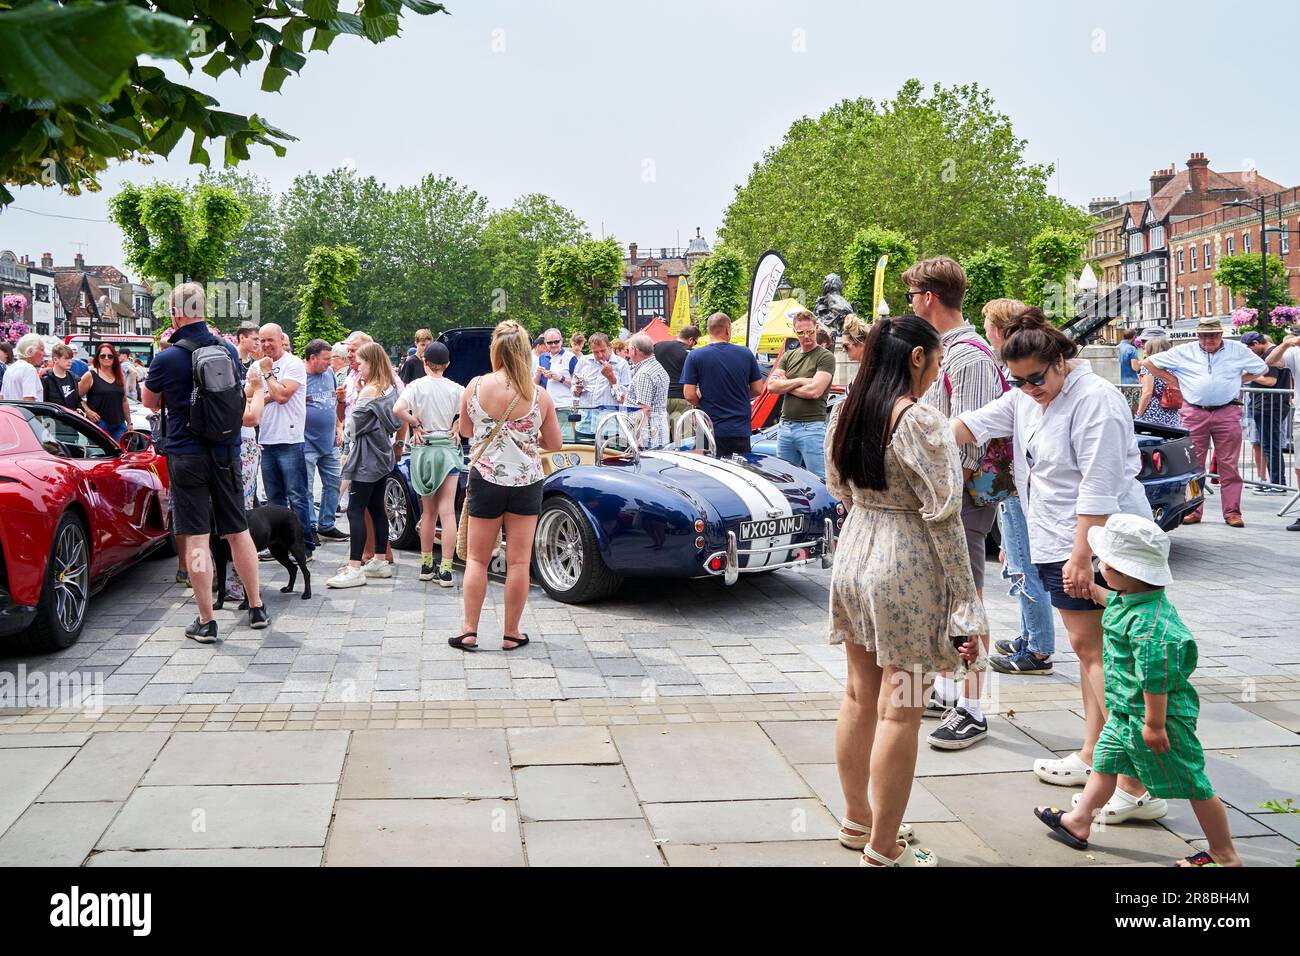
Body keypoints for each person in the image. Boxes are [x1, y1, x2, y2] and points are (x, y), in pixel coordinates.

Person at [955, 307, 1158, 817]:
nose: (1028, 389)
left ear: (1062, 360)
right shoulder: (1028, 398)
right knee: (1088, 651)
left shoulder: (1096, 400)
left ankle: (1132, 784)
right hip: (1060, 539)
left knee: (1106, 660)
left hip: (1099, 544)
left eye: (1036, 378)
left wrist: (1082, 556)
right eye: (1019, 382)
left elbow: (1099, 483)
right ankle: (1095, 755)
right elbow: (972, 424)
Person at [825, 315, 984, 867]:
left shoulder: (848, 407)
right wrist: (967, 605)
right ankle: (883, 847)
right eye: (936, 361)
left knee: (857, 694)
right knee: (902, 708)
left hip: (855, 546)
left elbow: (835, 485)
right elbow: (944, 517)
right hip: (905, 558)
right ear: (917, 358)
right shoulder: (919, 419)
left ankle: (857, 818)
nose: (936, 372)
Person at [1034, 514, 1242, 867]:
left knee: (1194, 784)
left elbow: (1155, 679)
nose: (1100, 566)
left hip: (1156, 720)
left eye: (1106, 564)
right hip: (1126, 714)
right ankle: (1079, 821)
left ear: (1125, 573)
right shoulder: (1136, 600)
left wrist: (1155, 724)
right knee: (1104, 763)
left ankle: (1224, 853)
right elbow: (1114, 603)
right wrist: (1090, 590)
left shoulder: (1151, 626)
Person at [905, 256, 1005, 748]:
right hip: (947, 494)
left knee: (969, 597)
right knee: (952, 596)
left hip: (961, 495)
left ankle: (974, 705)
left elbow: (971, 444)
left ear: (928, 297)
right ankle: (950, 688)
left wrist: (941, 495)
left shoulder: (968, 356)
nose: (909, 306)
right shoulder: (949, 351)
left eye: (911, 297)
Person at [142, 282, 268, 640]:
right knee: (237, 531)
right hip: (226, 452)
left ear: (175, 314)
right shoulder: (226, 349)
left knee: (197, 539)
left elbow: (149, 402)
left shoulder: (167, 357)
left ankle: (207, 620)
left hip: (187, 456)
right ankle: (256, 606)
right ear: (203, 311)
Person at [452, 320, 562, 650]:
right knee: (517, 562)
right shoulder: (538, 395)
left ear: (495, 350)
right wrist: (527, 436)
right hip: (526, 482)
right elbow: (554, 444)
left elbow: (468, 432)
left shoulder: (475, 386)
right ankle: (512, 633)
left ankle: (470, 630)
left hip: (485, 479)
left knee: (476, 560)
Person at [980, 299, 1056, 677]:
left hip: (1012, 478)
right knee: (1016, 560)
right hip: (1010, 477)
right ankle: (1031, 635)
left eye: (988, 325)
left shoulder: (1011, 368)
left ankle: (1039, 647)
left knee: (1024, 563)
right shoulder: (1007, 367)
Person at [1143, 316, 1273, 527]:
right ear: (1198, 335)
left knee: (1229, 465)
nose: (1207, 340)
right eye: (1203, 336)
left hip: (1227, 411)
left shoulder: (1236, 350)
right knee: (1193, 465)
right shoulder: (1185, 350)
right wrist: (1175, 382)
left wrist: (1238, 379)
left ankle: (1232, 512)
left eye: (1212, 336)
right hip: (1194, 412)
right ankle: (1193, 510)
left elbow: (1262, 369)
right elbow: (1149, 362)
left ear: (1221, 334)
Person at [327, 342, 403, 588]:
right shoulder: (390, 388)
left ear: (371, 362)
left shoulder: (369, 392)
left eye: (360, 363)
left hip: (365, 457)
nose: (358, 368)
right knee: (377, 508)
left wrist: (359, 396)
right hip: (382, 455)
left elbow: (351, 429)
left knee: (355, 510)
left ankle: (354, 568)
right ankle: (380, 561)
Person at [394, 341, 464, 585]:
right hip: (447, 449)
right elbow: (469, 414)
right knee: (447, 511)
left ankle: (425, 565)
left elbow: (398, 409)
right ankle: (445, 569)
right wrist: (456, 425)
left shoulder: (416, 386)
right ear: (447, 364)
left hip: (423, 450)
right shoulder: (457, 389)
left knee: (428, 512)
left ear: (424, 362)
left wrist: (415, 423)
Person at [257, 323, 314, 559]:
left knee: (297, 496)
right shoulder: (257, 366)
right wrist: (267, 390)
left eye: (271, 340)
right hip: (267, 439)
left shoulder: (293, 365)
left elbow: (281, 396)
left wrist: (268, 375)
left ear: (282, 339)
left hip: (290, 440)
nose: (266, 345)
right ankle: (277, 546)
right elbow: (251, 396)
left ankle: (305, 546)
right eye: (262, 341)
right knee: (273, 499)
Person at [765, 308, 836, 479]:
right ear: (795, 332)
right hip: (785, 426)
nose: (806, 336)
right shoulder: (788, 356)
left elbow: (814, 391)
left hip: (812, 427)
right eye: (801, 332)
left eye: (810, 331)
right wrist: (801, 380)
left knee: (819, 480)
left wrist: (787, 383)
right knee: (785, 480)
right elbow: (771, 387)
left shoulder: (825, 357)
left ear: (817, 328)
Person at [681, 312, 765, 456]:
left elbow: (688, 394)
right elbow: (758, 389)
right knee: (739, 471)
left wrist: (701, 403)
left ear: (708, 331)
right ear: (727, 329)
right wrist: (741, 394)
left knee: (706, 471)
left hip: (707, 427)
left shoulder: (695, 355)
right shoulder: (745, 353)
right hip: (739, 428)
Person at [303, 339, 348, 544]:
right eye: (326, 359)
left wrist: (338, 428)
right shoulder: (300, 377)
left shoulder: (329, 374)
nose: (330, 363)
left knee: (333, 483)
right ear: (312, 358)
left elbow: (331, 405)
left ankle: (327, 524)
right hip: (306, 442)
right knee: (307, 487)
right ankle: (310, 526)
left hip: (329, 441)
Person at [1238, 331, 1291, 491]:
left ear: (1256, 343)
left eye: (1250, 349)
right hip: (1266, 405)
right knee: (1267, 444)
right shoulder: (1269, 353)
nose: (1250, 353)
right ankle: (1274, 482)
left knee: (1270, 445)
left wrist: (1251, 376)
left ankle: (1277, 483)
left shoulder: (1270, 354)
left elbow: (1270, 380)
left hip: (1269, 405)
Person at [78, 342, 131, 443]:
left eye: (110, 356)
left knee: (120, 455)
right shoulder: (90, 375)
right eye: (103, 356)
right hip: (99, 424)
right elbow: (77, 396)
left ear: (114, 358)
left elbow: (124, 401)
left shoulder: (119, 376)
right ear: (98, 358)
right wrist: (88, 411)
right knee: (101, 456)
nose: (106, 358)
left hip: (119, 424)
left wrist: (129, 423)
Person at [627, 333, 670, 449]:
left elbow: (643, 409)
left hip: (649, 436)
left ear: (633, 350)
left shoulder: (644, 373)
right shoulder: (657, 366)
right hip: (658, 430)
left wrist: (638, 438)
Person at [654, 325, 700, 429]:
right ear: (691, 339)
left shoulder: (658, 346)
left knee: (660, 438)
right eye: (695, 342)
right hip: (681, 398)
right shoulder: (691, 353)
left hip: (660, 399)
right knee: (684, 440)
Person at [572, 333, 631, 408]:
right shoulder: (583, 361)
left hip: (607, 416)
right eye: (596, 352)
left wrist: (612, 378)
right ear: (591, 349)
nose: (600, 355)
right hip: (586, 415)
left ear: (609, 346)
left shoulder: (621, 364)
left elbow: (623, 399)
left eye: (603, 351)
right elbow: (573, 389)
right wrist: (577, 390)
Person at [1134, 334, 1181, 427]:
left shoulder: (1148, 367)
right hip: (1172, 412)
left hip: (1154, 412)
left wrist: (1139, 413)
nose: (1144, 351)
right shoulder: (1174, 366)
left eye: (1145, 349)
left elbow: (1147, 393)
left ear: (1151, 351)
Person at [536, 328, 579, 406]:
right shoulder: (542, 357)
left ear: (561, 340)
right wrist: (538, 373)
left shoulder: (570, 357)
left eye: (556, 342)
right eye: (550, 342)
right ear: (545, 343)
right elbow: (536, 384)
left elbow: (577, 385)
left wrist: (560, 378)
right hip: (544, 405)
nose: (553, 345)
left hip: (563, 406)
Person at [41, 344, 84, 412]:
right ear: (55, 359)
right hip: (54, 420)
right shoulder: (46, 379)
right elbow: (43, 404)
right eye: (66, 358)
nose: (70, 361)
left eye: (71, 358)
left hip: (72, 419)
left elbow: (77, 399)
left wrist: (80, 408)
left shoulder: (73, 377)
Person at [1, 334, 43, 401]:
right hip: (24, 411)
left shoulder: (10, 368)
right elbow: (28, 401)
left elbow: (2, 397)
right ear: (30, 351)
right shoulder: (29, 369)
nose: (44, 353)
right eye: (42, 349)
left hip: (10, 410)